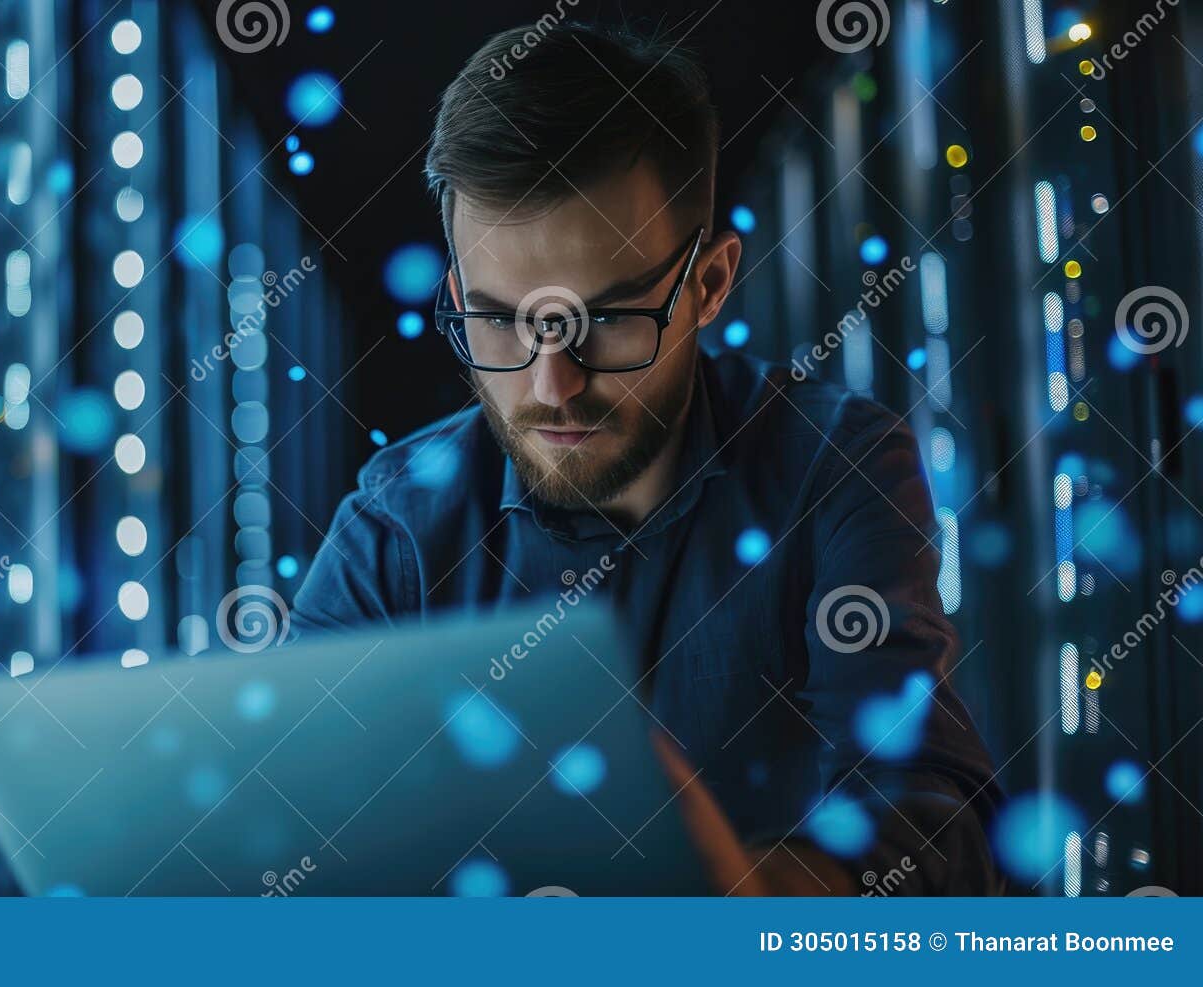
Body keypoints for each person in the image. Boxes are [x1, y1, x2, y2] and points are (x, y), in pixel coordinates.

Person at [291, 21, 1001, 895]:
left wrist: (737, 898)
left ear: (709, 285)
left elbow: (936, 832)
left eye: (610, 317)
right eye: (504, 319)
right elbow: (284, 840)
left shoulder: (835, 471)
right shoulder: (392, 532)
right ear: (456, 300)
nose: (552, 384)